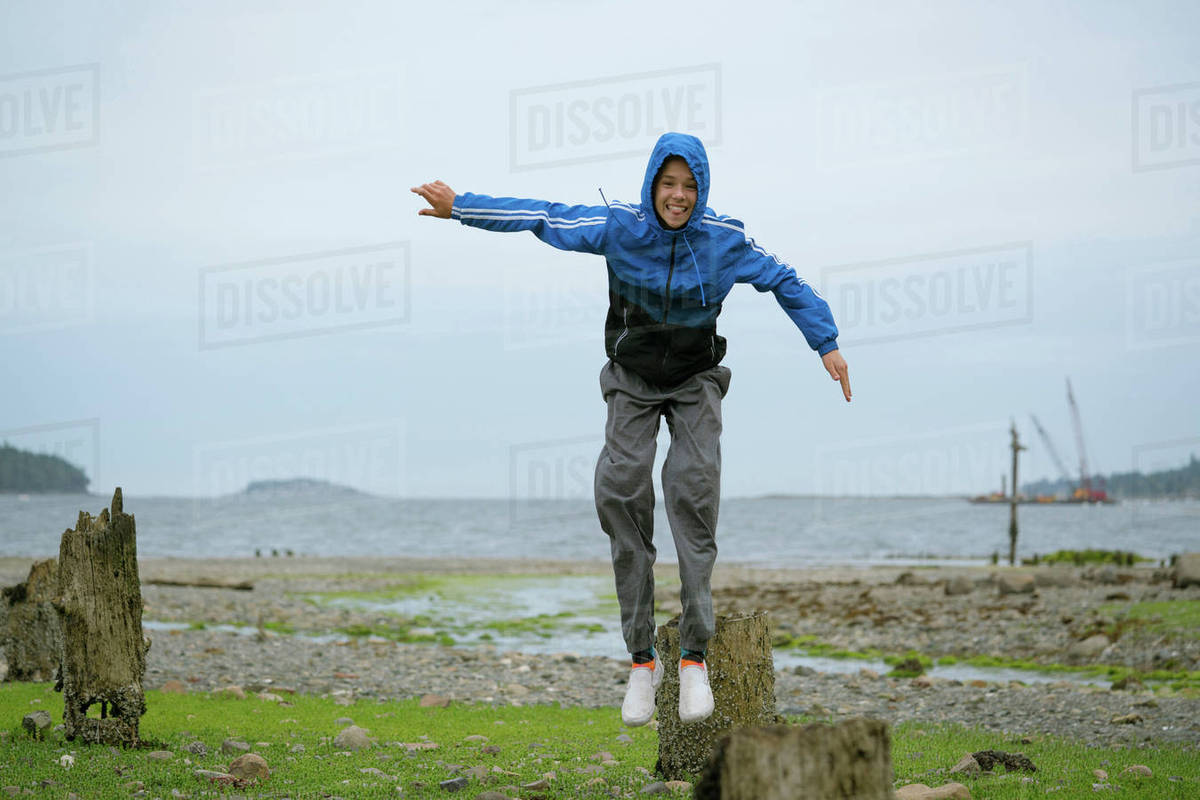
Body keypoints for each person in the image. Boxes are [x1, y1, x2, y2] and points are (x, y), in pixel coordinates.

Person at [412, 132, 850, 727]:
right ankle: (642, 660)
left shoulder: (725, 240)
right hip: (632, 379)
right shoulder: (621, 227)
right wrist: (461, 207)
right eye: (668, 184)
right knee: (619, 490)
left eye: (689, 185)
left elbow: (787, 280)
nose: (678, 196)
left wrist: (826, 342)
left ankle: (693, 657)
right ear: (652, 185)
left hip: (696, 380)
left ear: (702, 189)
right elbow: (545, 217)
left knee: (693, 492)